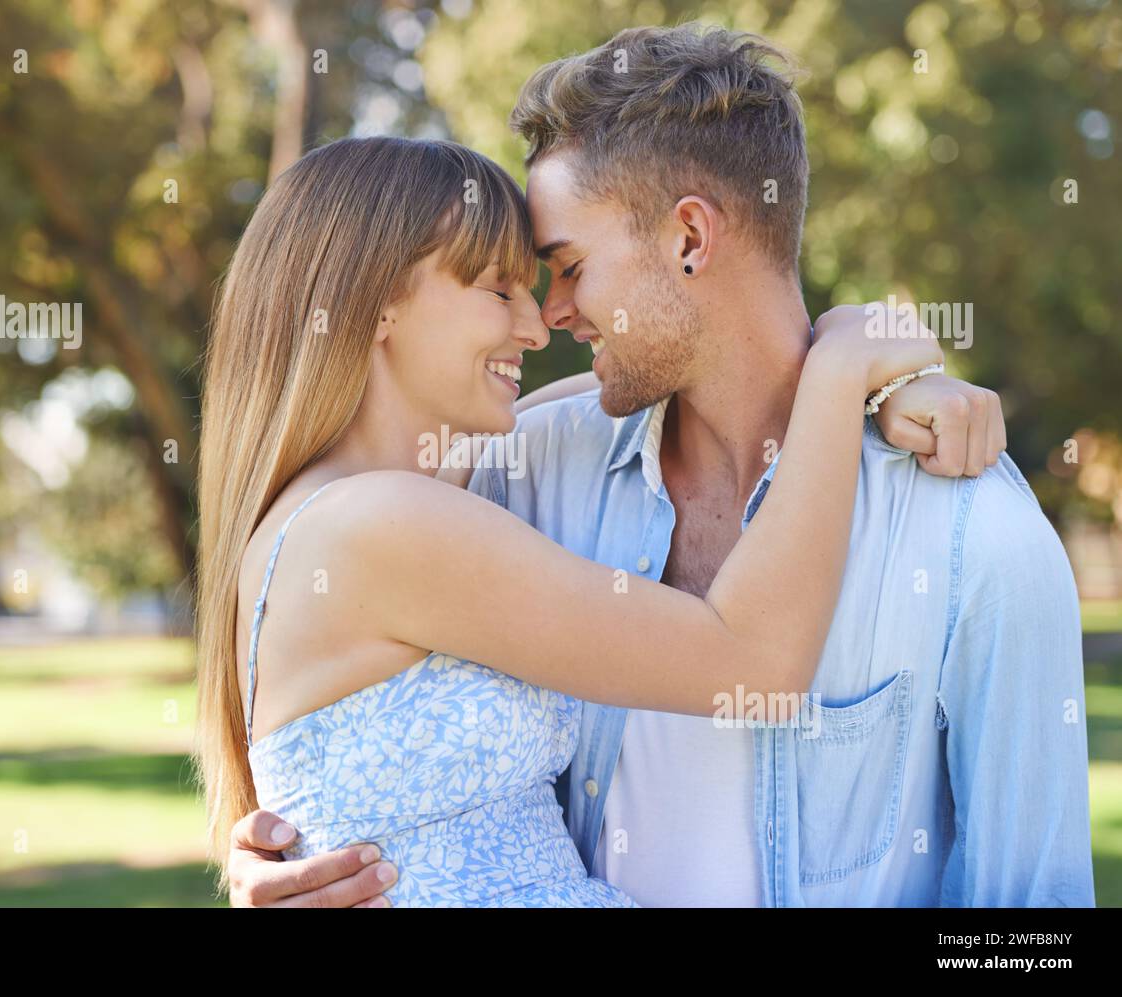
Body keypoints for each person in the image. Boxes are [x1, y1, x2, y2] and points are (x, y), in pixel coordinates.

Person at [226, 24, 1093, 908]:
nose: (546, 318)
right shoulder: (521, 474)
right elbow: (339, 721)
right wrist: (286, 856)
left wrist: (869, 374)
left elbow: (1034, 929)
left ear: (688, 238)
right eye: (511, 288)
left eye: (562, 268)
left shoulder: (971, 534)